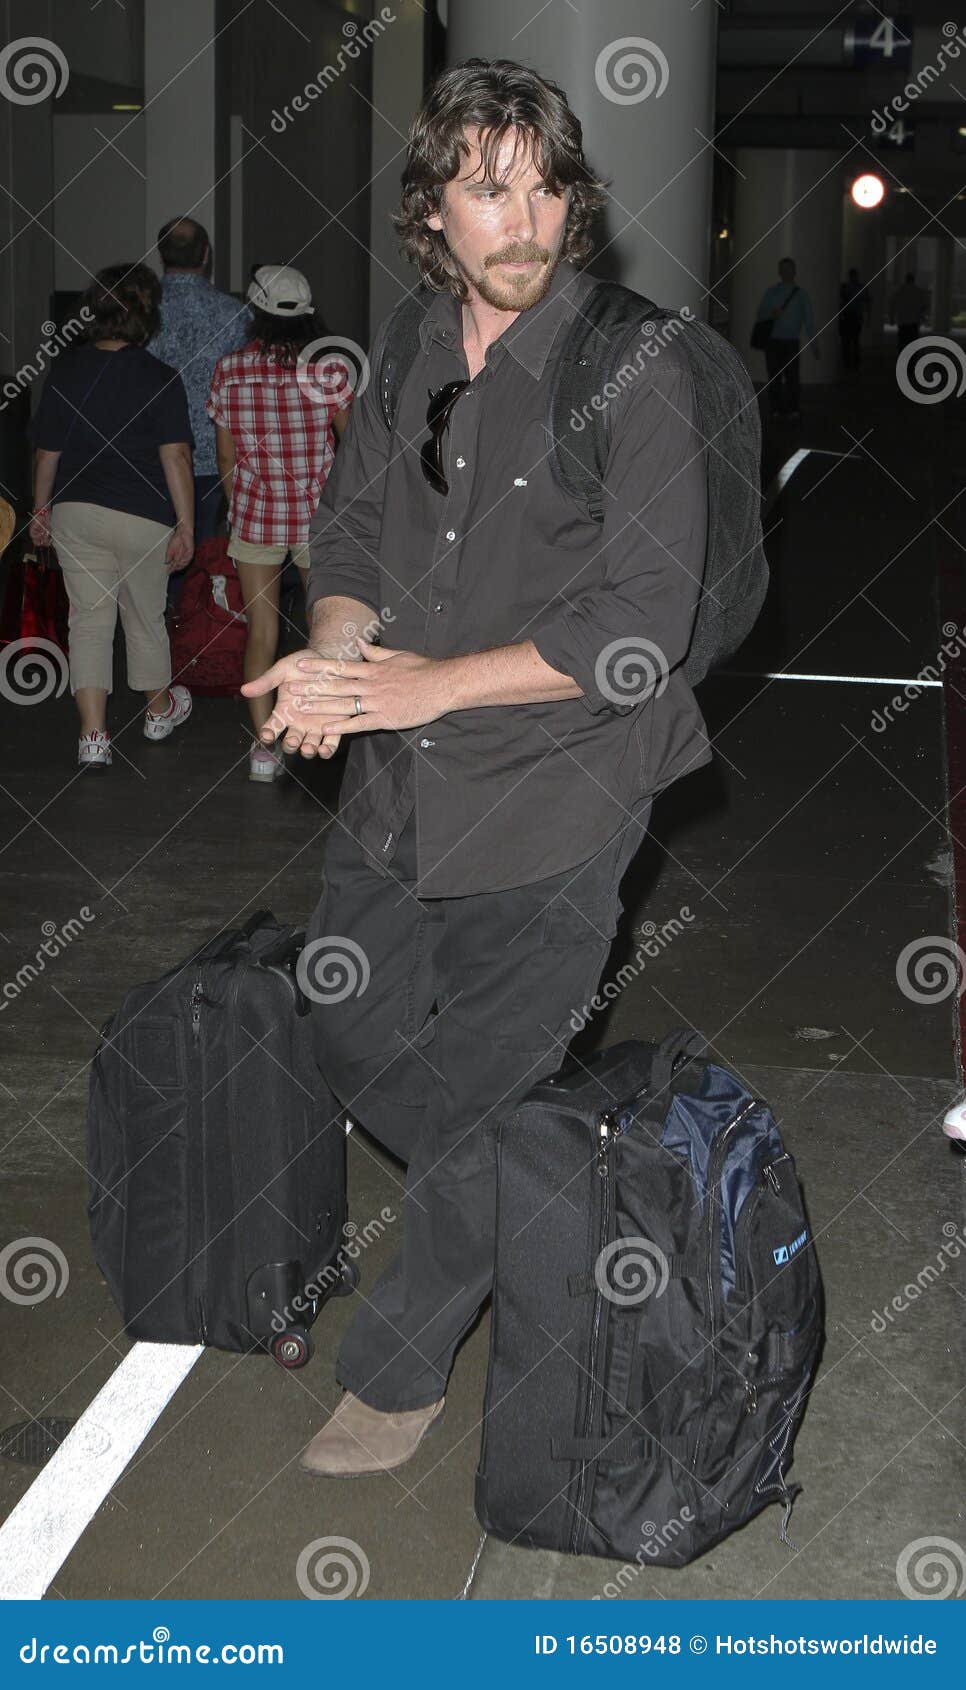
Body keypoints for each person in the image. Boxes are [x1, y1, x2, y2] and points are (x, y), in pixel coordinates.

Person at [243, 58, 713, 1476]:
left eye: (547, 185)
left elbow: (643, 621)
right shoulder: (405, 344)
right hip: (402, 779)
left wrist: (427, 680)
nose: (523, 219)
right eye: (486, 186)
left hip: (566, 784)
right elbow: (355, 527)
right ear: (428, 210)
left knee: (481, 1102)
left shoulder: (637, 363)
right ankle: (541, 1169)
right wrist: (334, 650)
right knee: (347, 1028)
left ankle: (397, 1369)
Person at [29, 263, 194, 770]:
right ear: (146, 314)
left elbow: (46, 453)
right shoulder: (160, 377)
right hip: (141, 515)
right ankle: (159, 710)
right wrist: (186, 524)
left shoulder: (64, 371)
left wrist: (41, 509)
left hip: (77, 512)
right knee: (144, 616)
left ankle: (93, 736)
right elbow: (176, 458)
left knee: (89, 622)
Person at [207, 265, 353, 782]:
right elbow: (352, 446)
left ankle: (265, 747)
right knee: (327, 632)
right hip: (319, 519)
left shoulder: (230, 370)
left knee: (261, 633)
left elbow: (226, 458)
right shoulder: (330, 369)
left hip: (255, 517)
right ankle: (321, 734)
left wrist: (240, 501)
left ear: (255, 311)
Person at [147, 217, 245, 544]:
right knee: (206, 569)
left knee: (152, 567)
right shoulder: (236, 315)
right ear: (206, 255)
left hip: (150, 459)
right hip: (216, 461)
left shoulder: (140, 313)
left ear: (162, 256)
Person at [753, 257, 820, 421]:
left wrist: (814, 344)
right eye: (783, 269)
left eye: (789, 269)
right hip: (773, 342)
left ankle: (793, 408)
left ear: (794, 271)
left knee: (792, 377)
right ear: (779, 272)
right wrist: (771, 314)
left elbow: (809, 320)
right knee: (774, 377)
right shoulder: (771, 292)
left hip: (791, 342)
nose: (786, 272)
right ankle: (776, 408)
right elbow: (760, 313)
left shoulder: (801, 294)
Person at [889, 272, 929, 354]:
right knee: (913, 341)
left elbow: (892, 304)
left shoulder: (899, 290)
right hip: (914, 321)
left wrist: (891, 318)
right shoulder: (919, 291)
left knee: (902, 341)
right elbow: (924, 306)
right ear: (913, 280)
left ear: (905, 280)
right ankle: (912, 359)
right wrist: (921, 315)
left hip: (902, 320)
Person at [838, 267, 870, 370]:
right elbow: (867, 301)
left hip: (849, 316)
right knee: (854, 339)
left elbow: (841, 302)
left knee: (848, 340)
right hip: (854, 316)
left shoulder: (845, 287)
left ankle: (848, 360)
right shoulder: (860, 287)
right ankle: (854, 360)